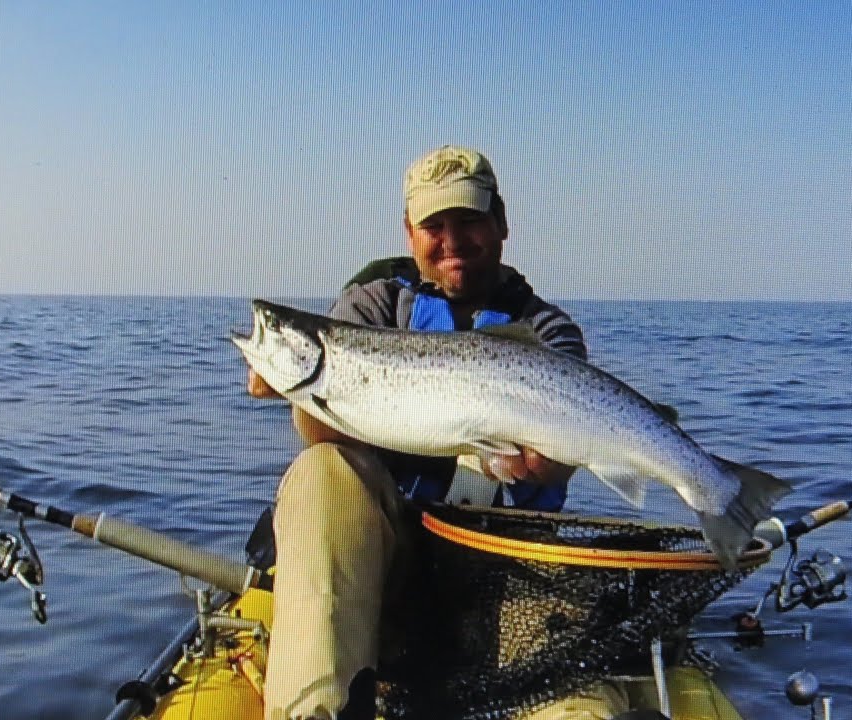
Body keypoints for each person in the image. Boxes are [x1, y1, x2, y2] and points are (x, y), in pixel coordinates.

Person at [246, 145, 629, 720]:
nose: (452, 240)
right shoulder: (371, 305)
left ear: (501, 222)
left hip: (511, 564)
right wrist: (297, 388)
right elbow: (320, 438)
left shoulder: (548, 330)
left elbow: (555, 462)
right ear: (409, 232)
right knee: (319, 471)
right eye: (434, 225)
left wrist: (552, 460)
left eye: (470, 221)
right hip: (389, 561)